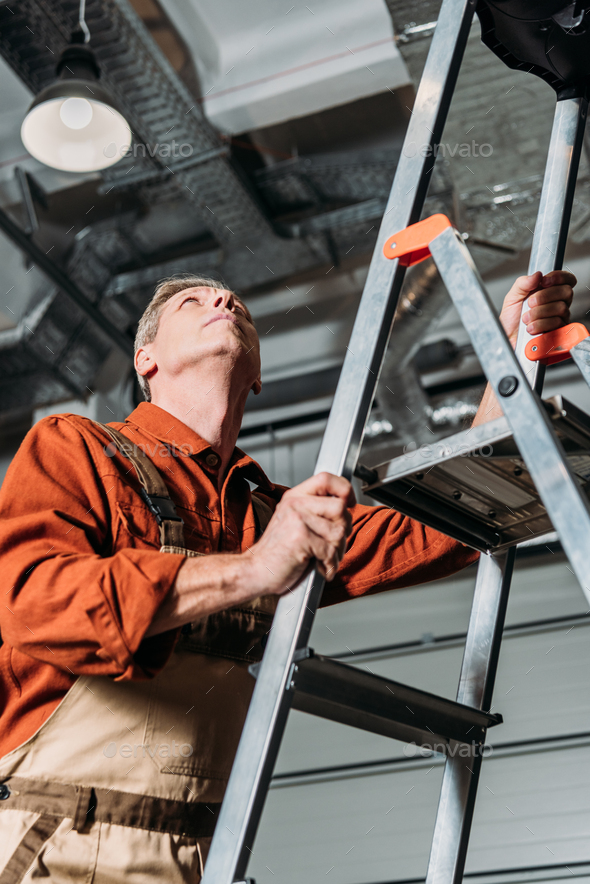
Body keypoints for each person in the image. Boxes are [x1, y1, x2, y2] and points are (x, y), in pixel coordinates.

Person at [0, 268, 574, 882]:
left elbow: (452, 524)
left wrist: (507, 361)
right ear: (146, 360)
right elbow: (37, 605)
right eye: (194, 301)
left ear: (258, 377)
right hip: (49, 849)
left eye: (234, 299)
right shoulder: (79, 448)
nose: (223, 298)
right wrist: (252, 570)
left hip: (196, 860)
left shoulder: (274, 515)